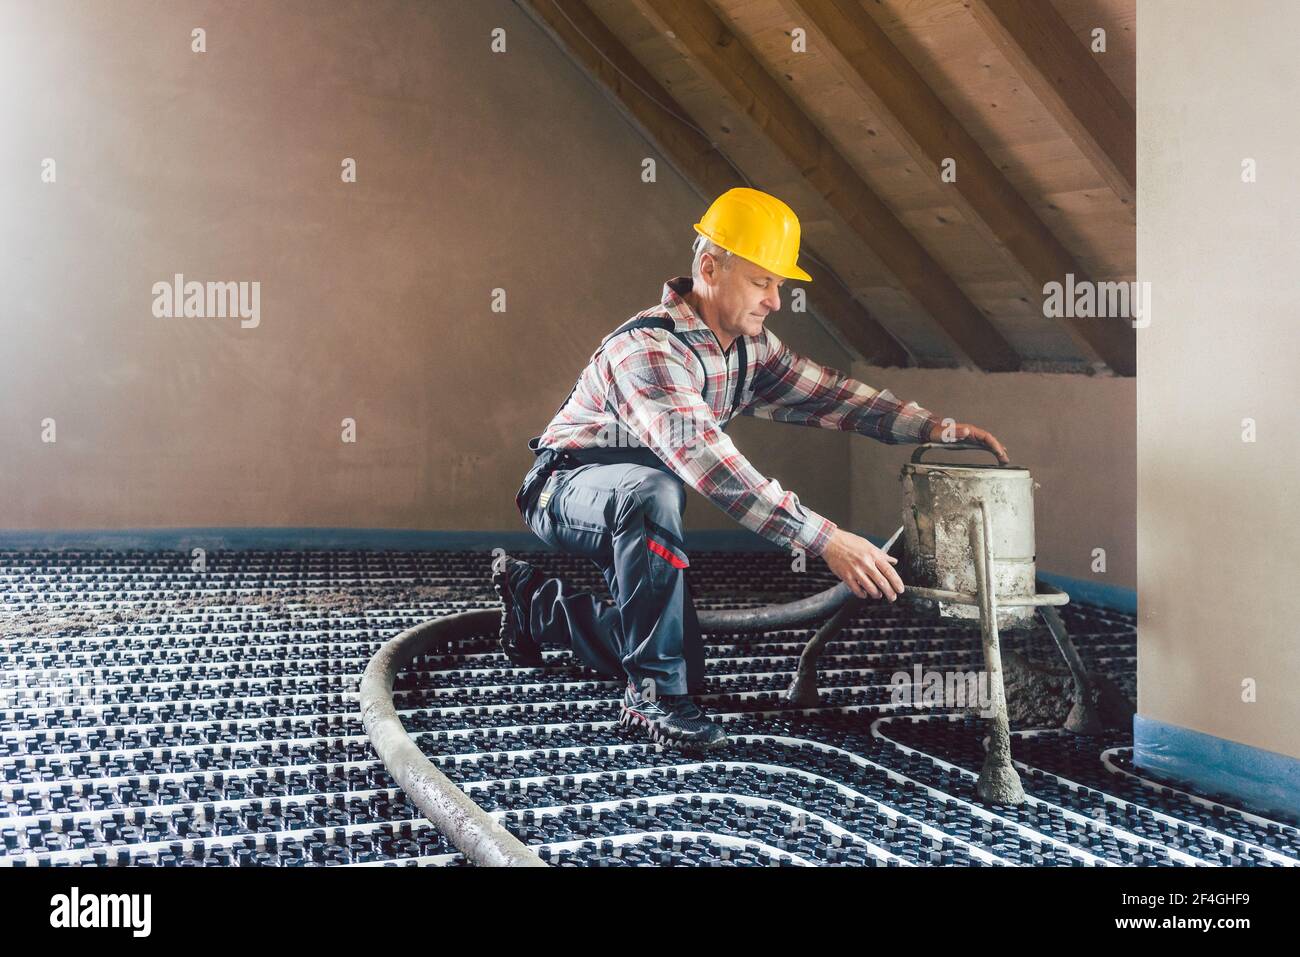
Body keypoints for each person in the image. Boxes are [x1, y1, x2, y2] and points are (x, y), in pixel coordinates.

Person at [497, 187, 1009, 751]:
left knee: (681, 664)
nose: (775, 301)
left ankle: (536, 604)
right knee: (654, 505)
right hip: (568, 487)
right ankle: (649, 699)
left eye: (779, 286)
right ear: (710, 268)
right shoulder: (648, 349)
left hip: (645, 503)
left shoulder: (748, 347)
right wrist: (827, 539)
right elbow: (713, 467)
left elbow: (833, 396)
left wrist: (935, 427)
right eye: (762, 282)